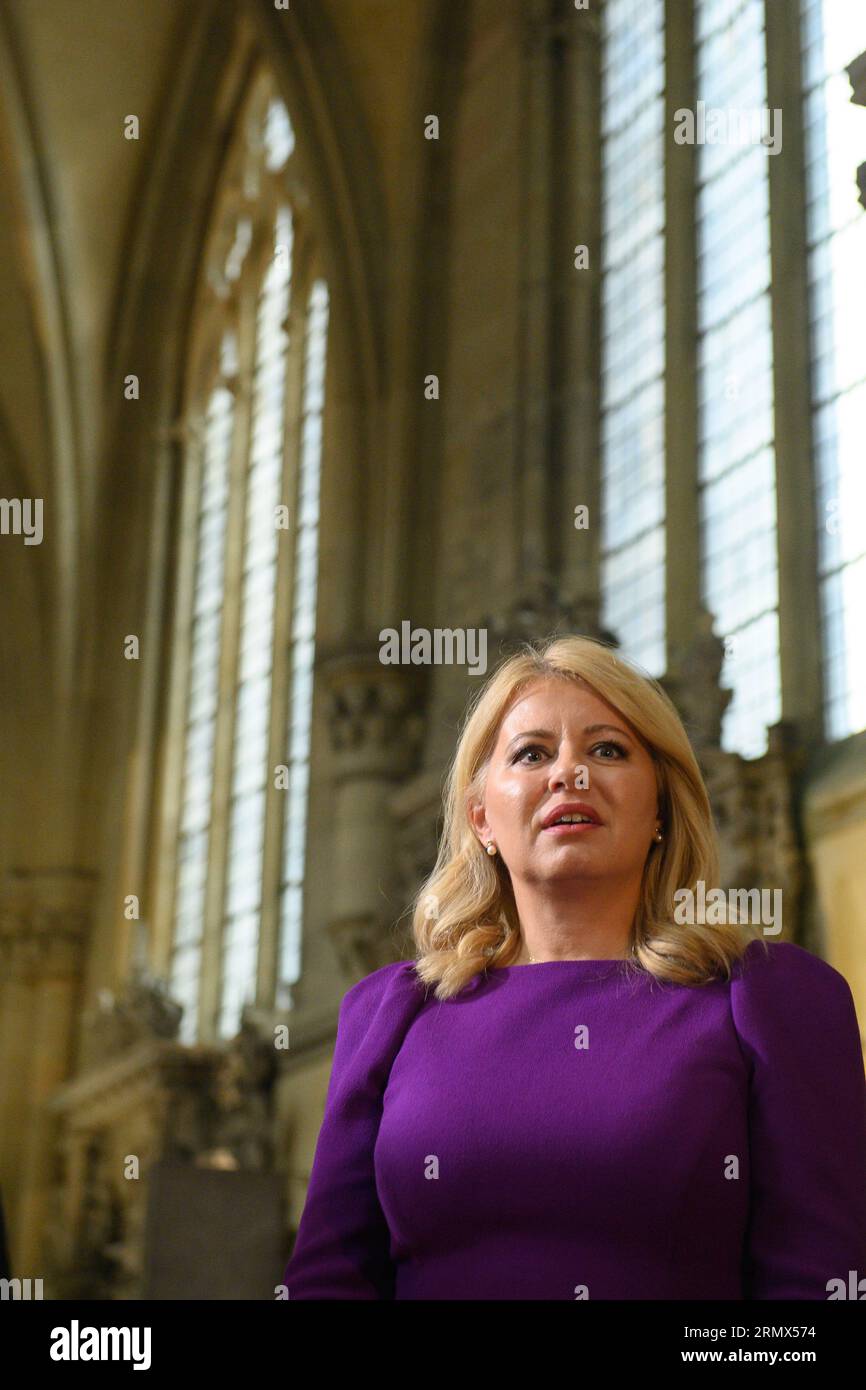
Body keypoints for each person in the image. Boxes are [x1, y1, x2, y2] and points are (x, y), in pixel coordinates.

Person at [282, 634, 866, 1299]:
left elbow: (819, 1296)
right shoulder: (390, 1012)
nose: (570, 773)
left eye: (607, 750)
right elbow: (328, 1283)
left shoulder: (766, 997)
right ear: (482, 819)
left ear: (660, 809)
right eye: (531, 753)